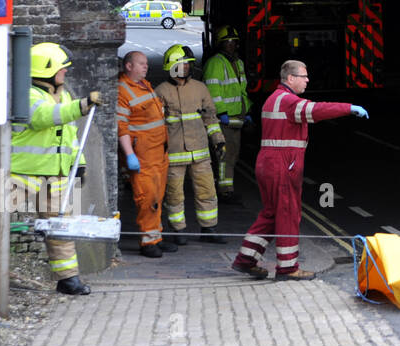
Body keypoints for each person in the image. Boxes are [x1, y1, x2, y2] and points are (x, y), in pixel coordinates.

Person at [231, 60, 368, 280]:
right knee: (287, 215)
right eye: (303, 76)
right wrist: (349, 108)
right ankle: (288, 268)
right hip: (282, 167)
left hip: (267, 163)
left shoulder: (272, 100)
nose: (307, 80)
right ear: (290, 78)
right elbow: (318, 109)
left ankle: (245, 260)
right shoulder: (289, 102)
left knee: (271, 214)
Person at [11, 43, 101, 295]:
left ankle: (68, 279)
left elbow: (71, 136)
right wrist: (81, 106)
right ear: (46, 69)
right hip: (21, 173)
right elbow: (45, 117)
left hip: (56, 175)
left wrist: (78, 162)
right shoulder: (27, 94)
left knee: (59, 229)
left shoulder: (64, 95)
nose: (65, 73)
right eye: (62, 69)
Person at [155, 44, 226, 245]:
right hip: (174, 153)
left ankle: (209, 227)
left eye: (188, 64)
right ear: (172, 65)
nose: (186, 67)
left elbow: (210, 118)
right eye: (182, 64)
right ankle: (178, 230)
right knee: (174, 194)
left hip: (200, 152)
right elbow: (155, 125)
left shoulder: (200, 88)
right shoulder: (161, 91)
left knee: (207, 191)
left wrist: (218, 141)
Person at [117, 50, 173, 257]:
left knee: (157, 196)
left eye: (146, 64)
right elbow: (121, 126)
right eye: (141, 64)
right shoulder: (124, 90)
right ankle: (147, 242)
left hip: (158, 154)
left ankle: (156, 236)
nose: (146, 67)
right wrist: (129, 154)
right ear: (129, 66)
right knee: (147, 198)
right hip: (142, 157)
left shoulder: (144, 85)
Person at [203, 25, 252, 203]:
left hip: (236, 119)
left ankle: (226, 188)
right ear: (221, 44)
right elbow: (213, 91)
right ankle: (225, 191)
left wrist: (246, 111)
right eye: (227, 42)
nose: (231, 45)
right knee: (224, 156)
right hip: (223, 120)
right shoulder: (215, 63)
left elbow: (242, 91)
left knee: (232, 155)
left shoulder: (238, 63)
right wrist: (221, 112)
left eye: (234, 42)